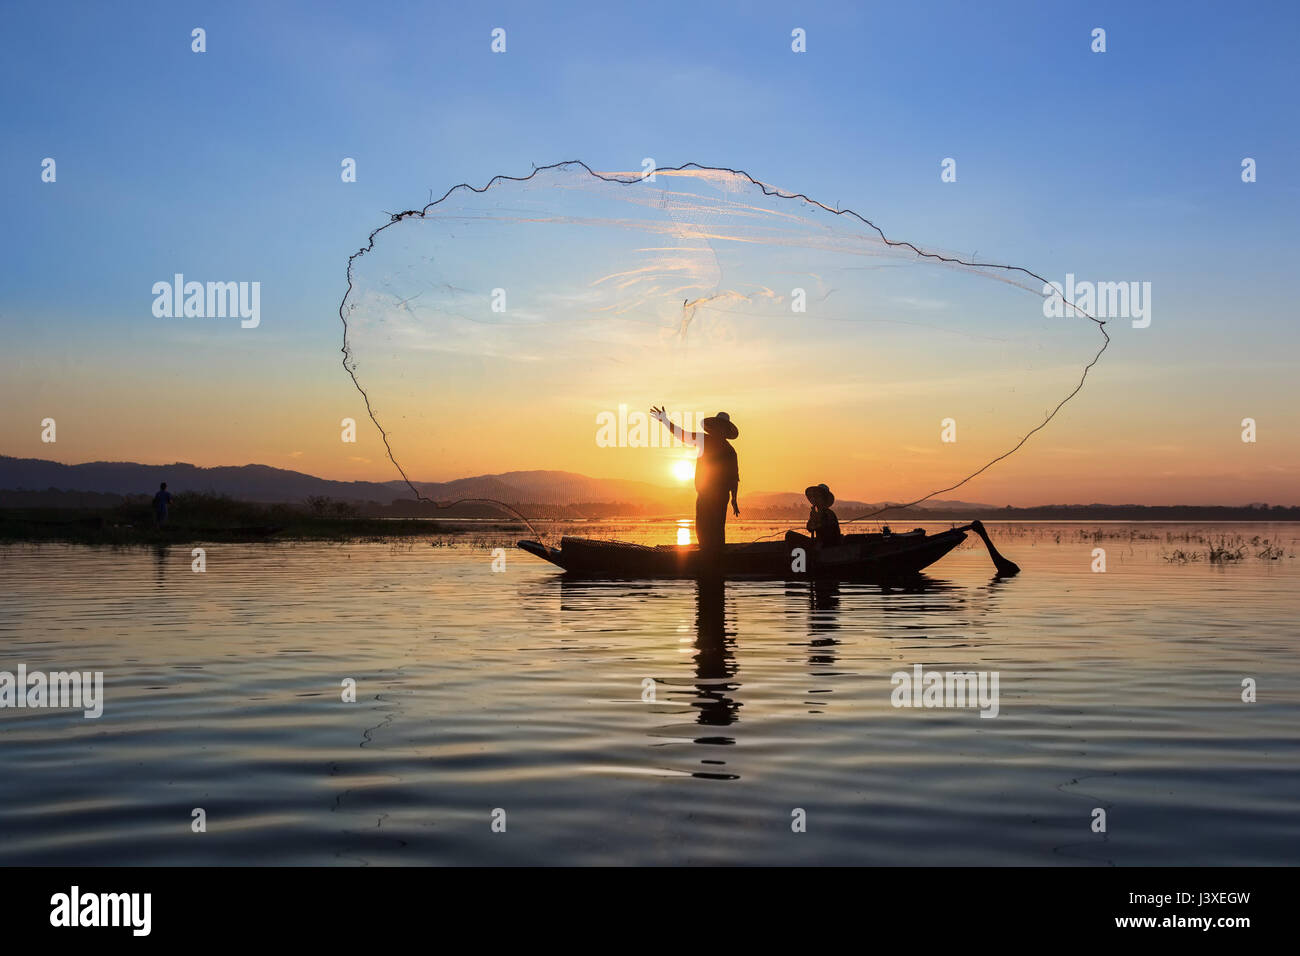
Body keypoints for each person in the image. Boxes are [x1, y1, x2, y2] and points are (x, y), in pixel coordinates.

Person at [651, 406, 739, 558]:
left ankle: (714, 556)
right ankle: (709, 555)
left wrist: (734, 499)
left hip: (718, 496)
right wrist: (665, 421)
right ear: (715, 428)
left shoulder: (729, 451)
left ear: (724, 431)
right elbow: (681, 434)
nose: (719, 430)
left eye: (721, 428)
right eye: (718, 427)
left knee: (715, 527)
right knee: (704, 527)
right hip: (705, 494)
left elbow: (734, 478)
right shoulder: (704, 440)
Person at [786, 483, 843, 549]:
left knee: (790, 535)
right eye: (815, 496)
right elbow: (809, 528)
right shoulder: (814, 513)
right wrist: (813, 517)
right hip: (818, 543)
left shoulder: (829, 514)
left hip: (829, 546)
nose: (815, 499)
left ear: (824, 499)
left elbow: (827, 532)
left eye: (818, 497)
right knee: (790, 535)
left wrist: (816, 522)